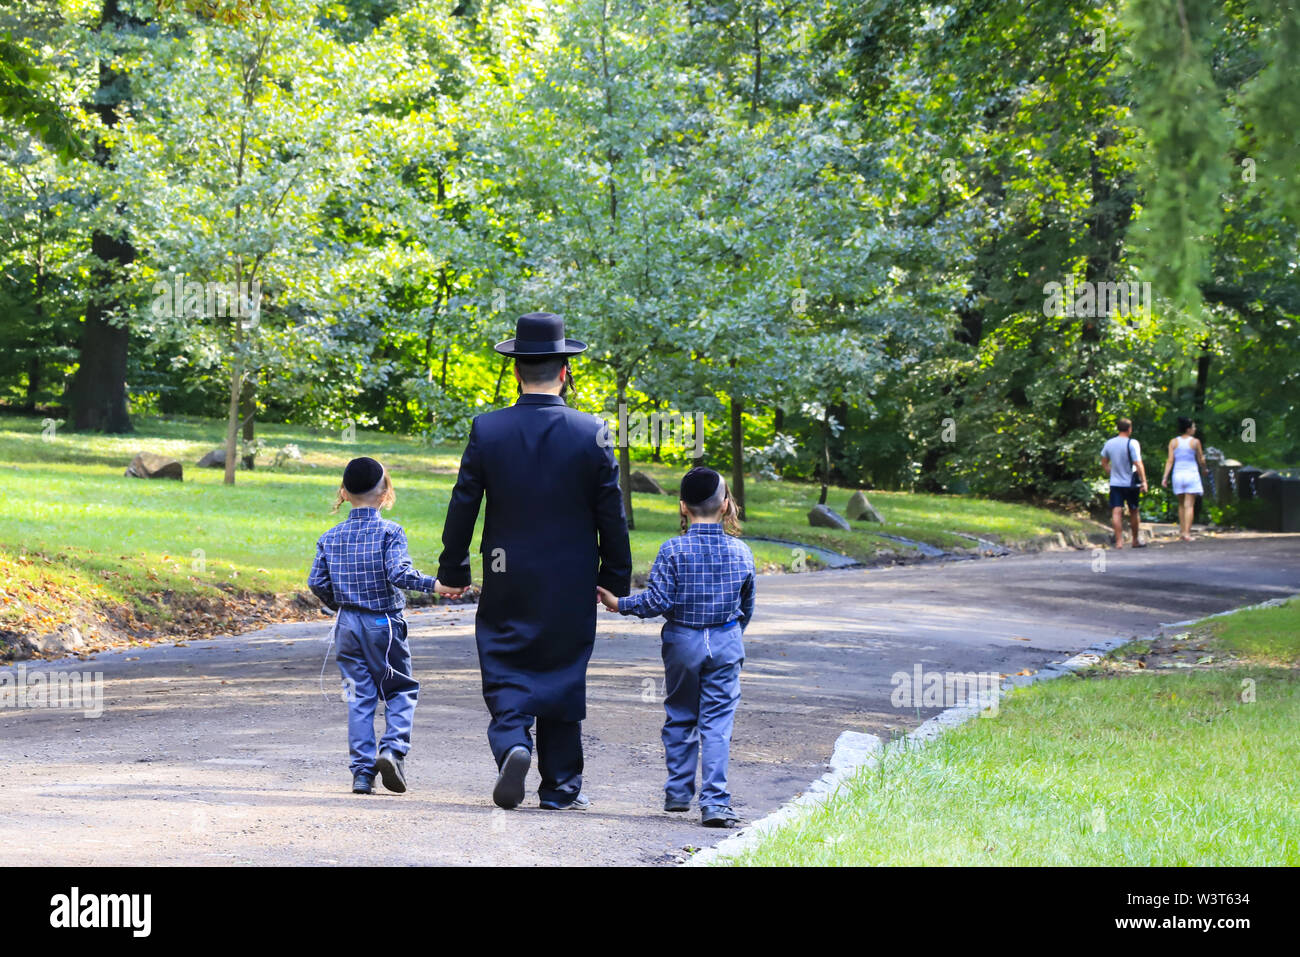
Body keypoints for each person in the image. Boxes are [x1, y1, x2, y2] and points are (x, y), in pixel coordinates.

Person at [437, 312, 632, 811]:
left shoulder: (488, 429)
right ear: (565, 371)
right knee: (564, 670)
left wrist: (453, 569)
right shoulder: (594, 432)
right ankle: (561, 787)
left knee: (504, 660)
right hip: (570, 578)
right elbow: (612, 513)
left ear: (517, 370)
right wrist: (615, 579)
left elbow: (465, 504)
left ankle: (512, 744)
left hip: (507, 572)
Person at [597, 466, 756, 828]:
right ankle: (715, 803)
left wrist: (620, 603)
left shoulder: (673, 549)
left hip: (683, 641)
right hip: (726, 638)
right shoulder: (742, 551)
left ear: (683, 507)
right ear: (726, 504)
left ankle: (679, 792)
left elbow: (656, 601)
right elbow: (747, 605)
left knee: (682, 714)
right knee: (717, 723)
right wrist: (730, 635)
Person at [308, 456, 458, 795]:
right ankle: (391, 750)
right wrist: (437, 585)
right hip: (383, 622)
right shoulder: (390, 532)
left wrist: (340, 605)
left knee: (359, 696)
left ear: (343, 493)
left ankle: (362, 774)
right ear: (385, 492)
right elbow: (398, 574)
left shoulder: (330, 537)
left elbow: (316, 581)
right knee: (400, 689)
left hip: (346, 624)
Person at [1100, 417, 1148, 549]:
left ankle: (1119, 541)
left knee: (1116, 511)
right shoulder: (1132, 443)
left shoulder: (1109, 443)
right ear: (1129, 429)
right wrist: (1144, 481)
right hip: (1130, 483)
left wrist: (1110, 472)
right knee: (1134, 510)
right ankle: (1134, 540)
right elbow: (1138, 463)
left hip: (1115, 483)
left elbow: (1103, 462)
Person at [1161, 416, 1208, 541]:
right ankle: (1187, 533)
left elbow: (1170, 460)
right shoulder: (1195, 442)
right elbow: (1201, 459)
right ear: (1188, 429)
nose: (1195, 429)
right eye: (1193, 427)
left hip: (1178, 474)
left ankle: (1182, 532)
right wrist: (1204, 469)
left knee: (1181, 504)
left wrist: (1165, 476)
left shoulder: (1173, 442)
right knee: (1189, 505)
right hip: (1191, 474)